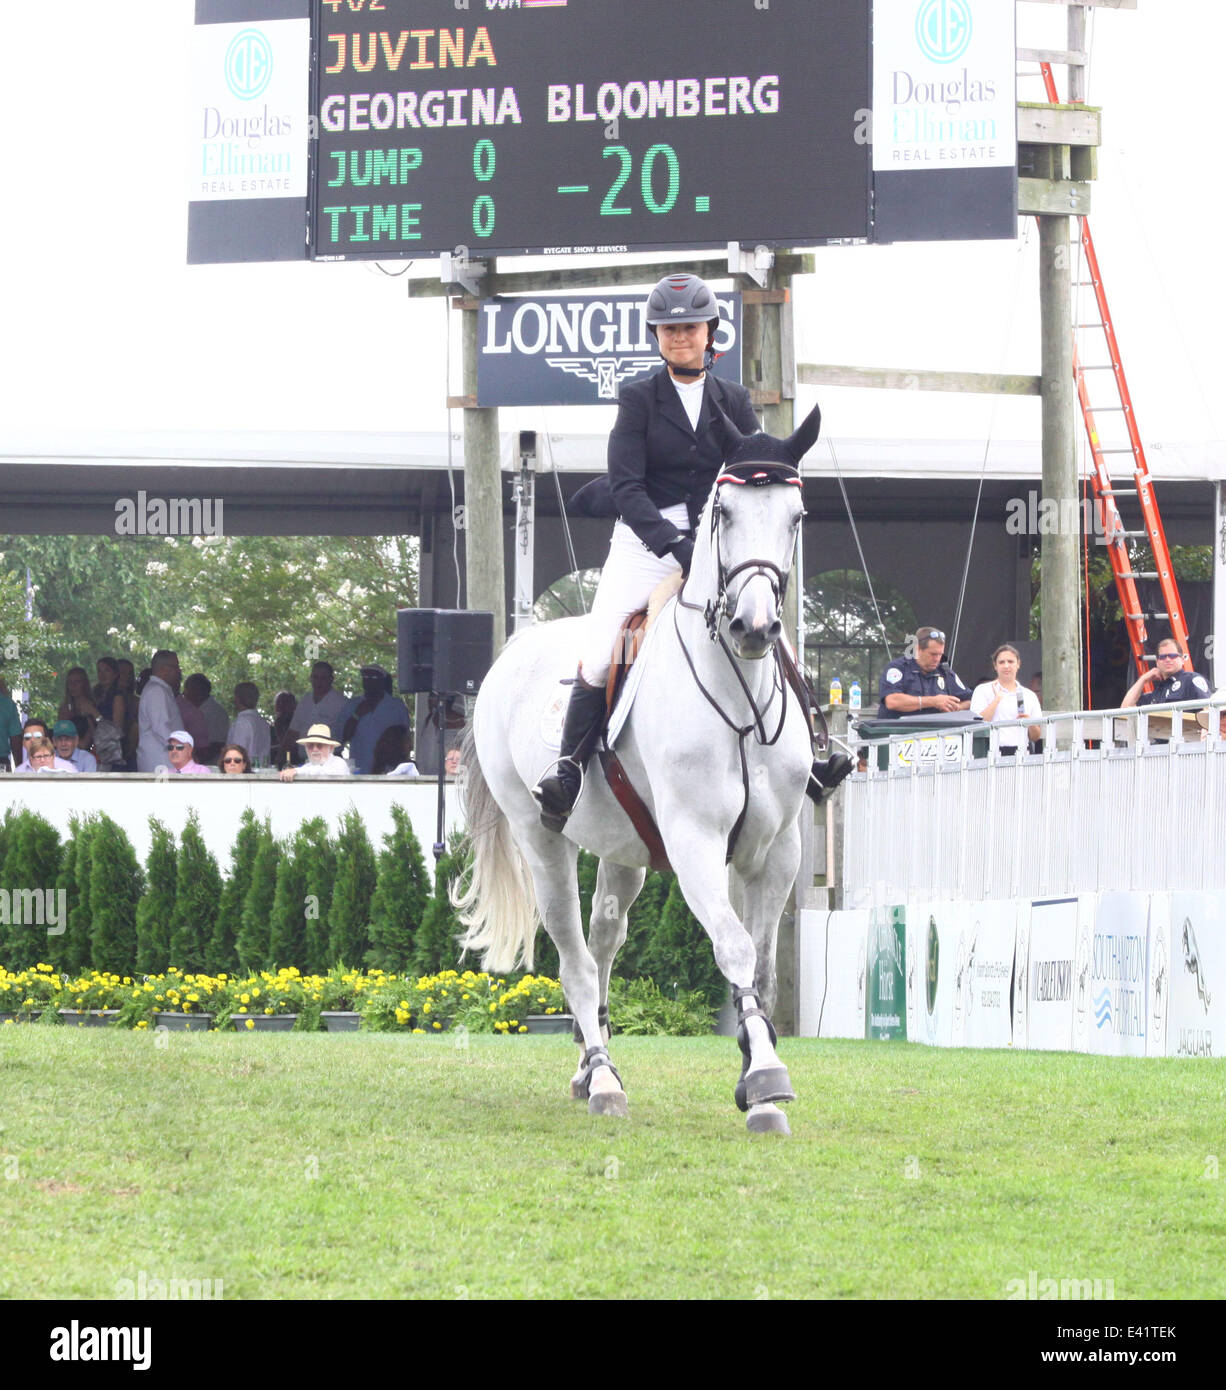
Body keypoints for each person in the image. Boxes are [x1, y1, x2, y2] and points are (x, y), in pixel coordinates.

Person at [531, 272, 762, 829]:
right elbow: (627, 486)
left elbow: (754, 471)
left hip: (717, 539)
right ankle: (569, 767)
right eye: (669, 329)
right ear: (657, 337)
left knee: (763, 619)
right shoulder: (638, 397)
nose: (680, 336)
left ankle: (808, 752)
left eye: (690, 327)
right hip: (645, 542)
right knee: (602, 647)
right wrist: (673, 544)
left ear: (710, 332)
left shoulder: (735, 399)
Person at [876, 626, 973, 718]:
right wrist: (934, 701)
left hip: (937, 732)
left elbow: (972, 699)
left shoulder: (944, 672)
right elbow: (892, 701)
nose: (937, 659)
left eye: (940, 654)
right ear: (918, 649)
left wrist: (956, 707)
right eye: (933, 654)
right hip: (900, 732)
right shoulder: (899, 668)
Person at [970, 645, 1042, 753]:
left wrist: (1029, 722)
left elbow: (1035, 737)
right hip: (991, 751)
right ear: (995, 666)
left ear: (1018, 664)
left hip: (1021, 751)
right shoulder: (982, 690)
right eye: (1001, 662)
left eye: (1010, 661)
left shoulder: (1029, 695)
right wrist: (997, 700)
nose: (1006, 666)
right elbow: (977, 725)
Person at [342, 664, 409, 775]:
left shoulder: (397, 706)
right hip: (360, 767)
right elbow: (343, 737)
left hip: (388, 771)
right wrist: (357, 714)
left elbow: (405, 741)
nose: (369, 681)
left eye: (373, 678)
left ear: (382, 681)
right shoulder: (352, 705)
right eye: (366, 678)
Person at [1121, 638, 1211, 710]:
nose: (1167, 660)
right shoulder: (1157, 693)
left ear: (1182, 659)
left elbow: (1207, 708)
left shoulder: (1191, 680)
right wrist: (1143, 679)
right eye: (1163, 657)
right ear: (1157, 662)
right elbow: (1125, 708)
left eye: (1172, 656)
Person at [287, 661, 351, 747]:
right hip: (304, 757)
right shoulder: (305, 700)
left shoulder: (342, 702)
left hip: (330, 757)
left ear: (331, 679)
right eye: (315, 677)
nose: (318, 682)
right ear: (311, 678)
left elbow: (347, 734)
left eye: (323, 678)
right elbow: (293, 731)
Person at [137, 650, 182, 773]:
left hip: (164, 760)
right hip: (161, 761)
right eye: (176, 667)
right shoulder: (156, 691)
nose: (179, 671)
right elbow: (161, 728)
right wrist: (182, 751)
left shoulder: (161, 689)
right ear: (164, 669)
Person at [181, 674, 225, 765]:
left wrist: (195, 758)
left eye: (187, 689)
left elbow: (217, 745)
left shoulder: (214, 712)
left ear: (197, 691)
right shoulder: (196, 710)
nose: (184, 693)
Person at [278, 724, 351, 780]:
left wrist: (296, 771)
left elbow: (324, 772)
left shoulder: (339, 763)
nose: (315, 749)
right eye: (310, 746)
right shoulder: (307, 767)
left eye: (320, 745)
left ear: (331, 748)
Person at [228, 682, 272, 766]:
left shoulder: (242, 722)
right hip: (263, 770)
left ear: (238, 698)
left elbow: (237, 753)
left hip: (245, 773)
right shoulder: (263, 722)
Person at [58, 667, 100, 751]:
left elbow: (88, 741)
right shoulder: (64, 709)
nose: (73, 686)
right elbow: (59, 738)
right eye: (70, 682)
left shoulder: (93, 707)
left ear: (84, 684)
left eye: (77, 682)